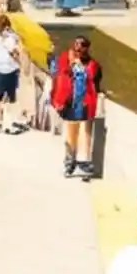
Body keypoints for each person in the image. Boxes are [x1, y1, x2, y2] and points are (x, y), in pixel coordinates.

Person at [51, 35, 104, 179]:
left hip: (86, 102)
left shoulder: (93, 65)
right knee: (71, 132)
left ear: (87, 48)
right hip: (70, 101)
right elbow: (58, 76)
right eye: (77, 46)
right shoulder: (65, 60)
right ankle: (70, 161)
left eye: (82, 46)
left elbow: (96, 83)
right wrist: (71, 64)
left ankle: (84, 161)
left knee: (86, 132)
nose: (79, 49)